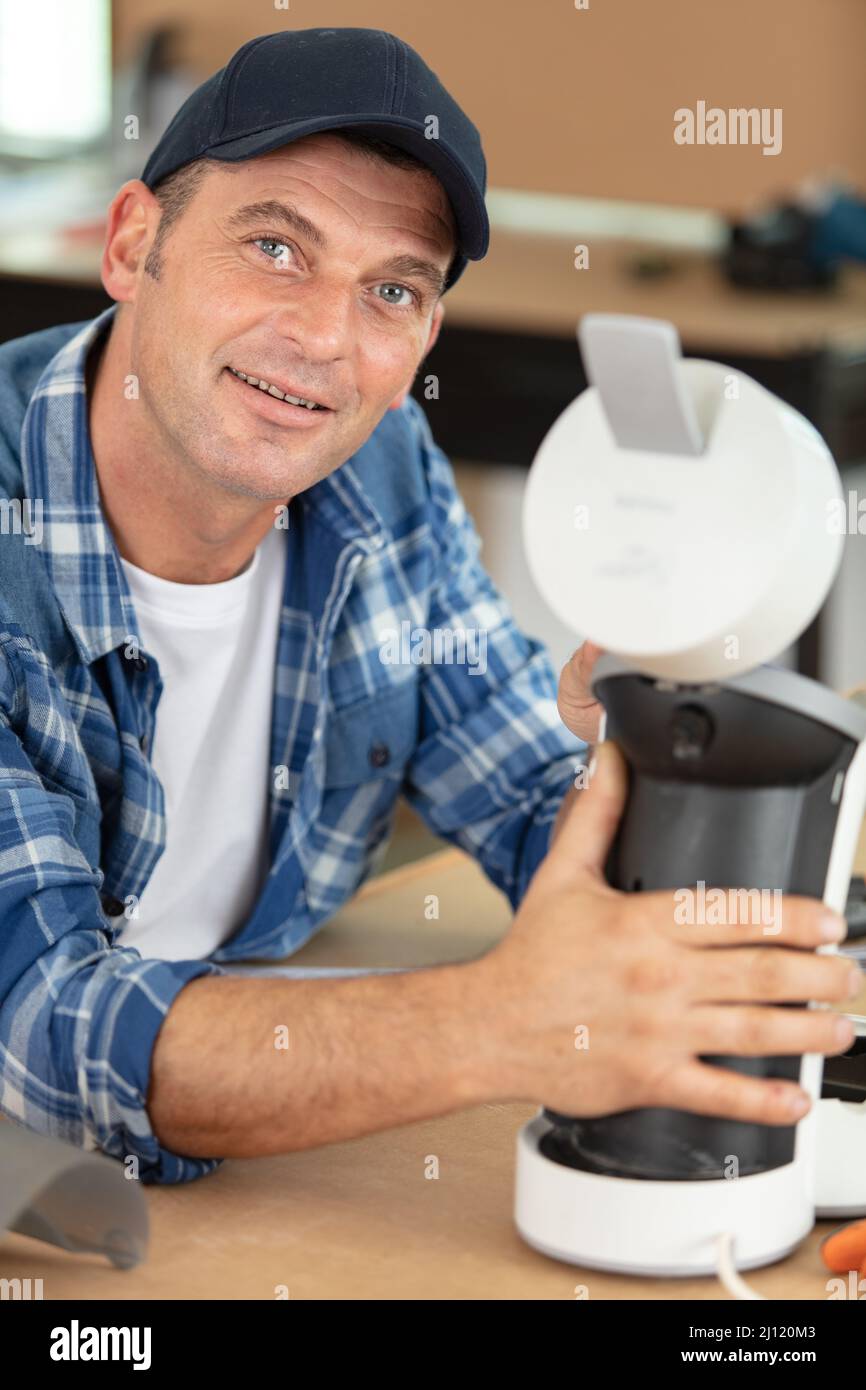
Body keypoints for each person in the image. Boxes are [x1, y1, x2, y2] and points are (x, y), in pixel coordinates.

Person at [0, 29, 858, 1183]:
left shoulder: (375, 465)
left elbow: (517, 787)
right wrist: (498, 1022)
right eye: (273, 246)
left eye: (390, 289)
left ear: (423, 339)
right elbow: (46, 1034)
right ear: (130, 243)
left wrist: (649, 755)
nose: (321, 340)